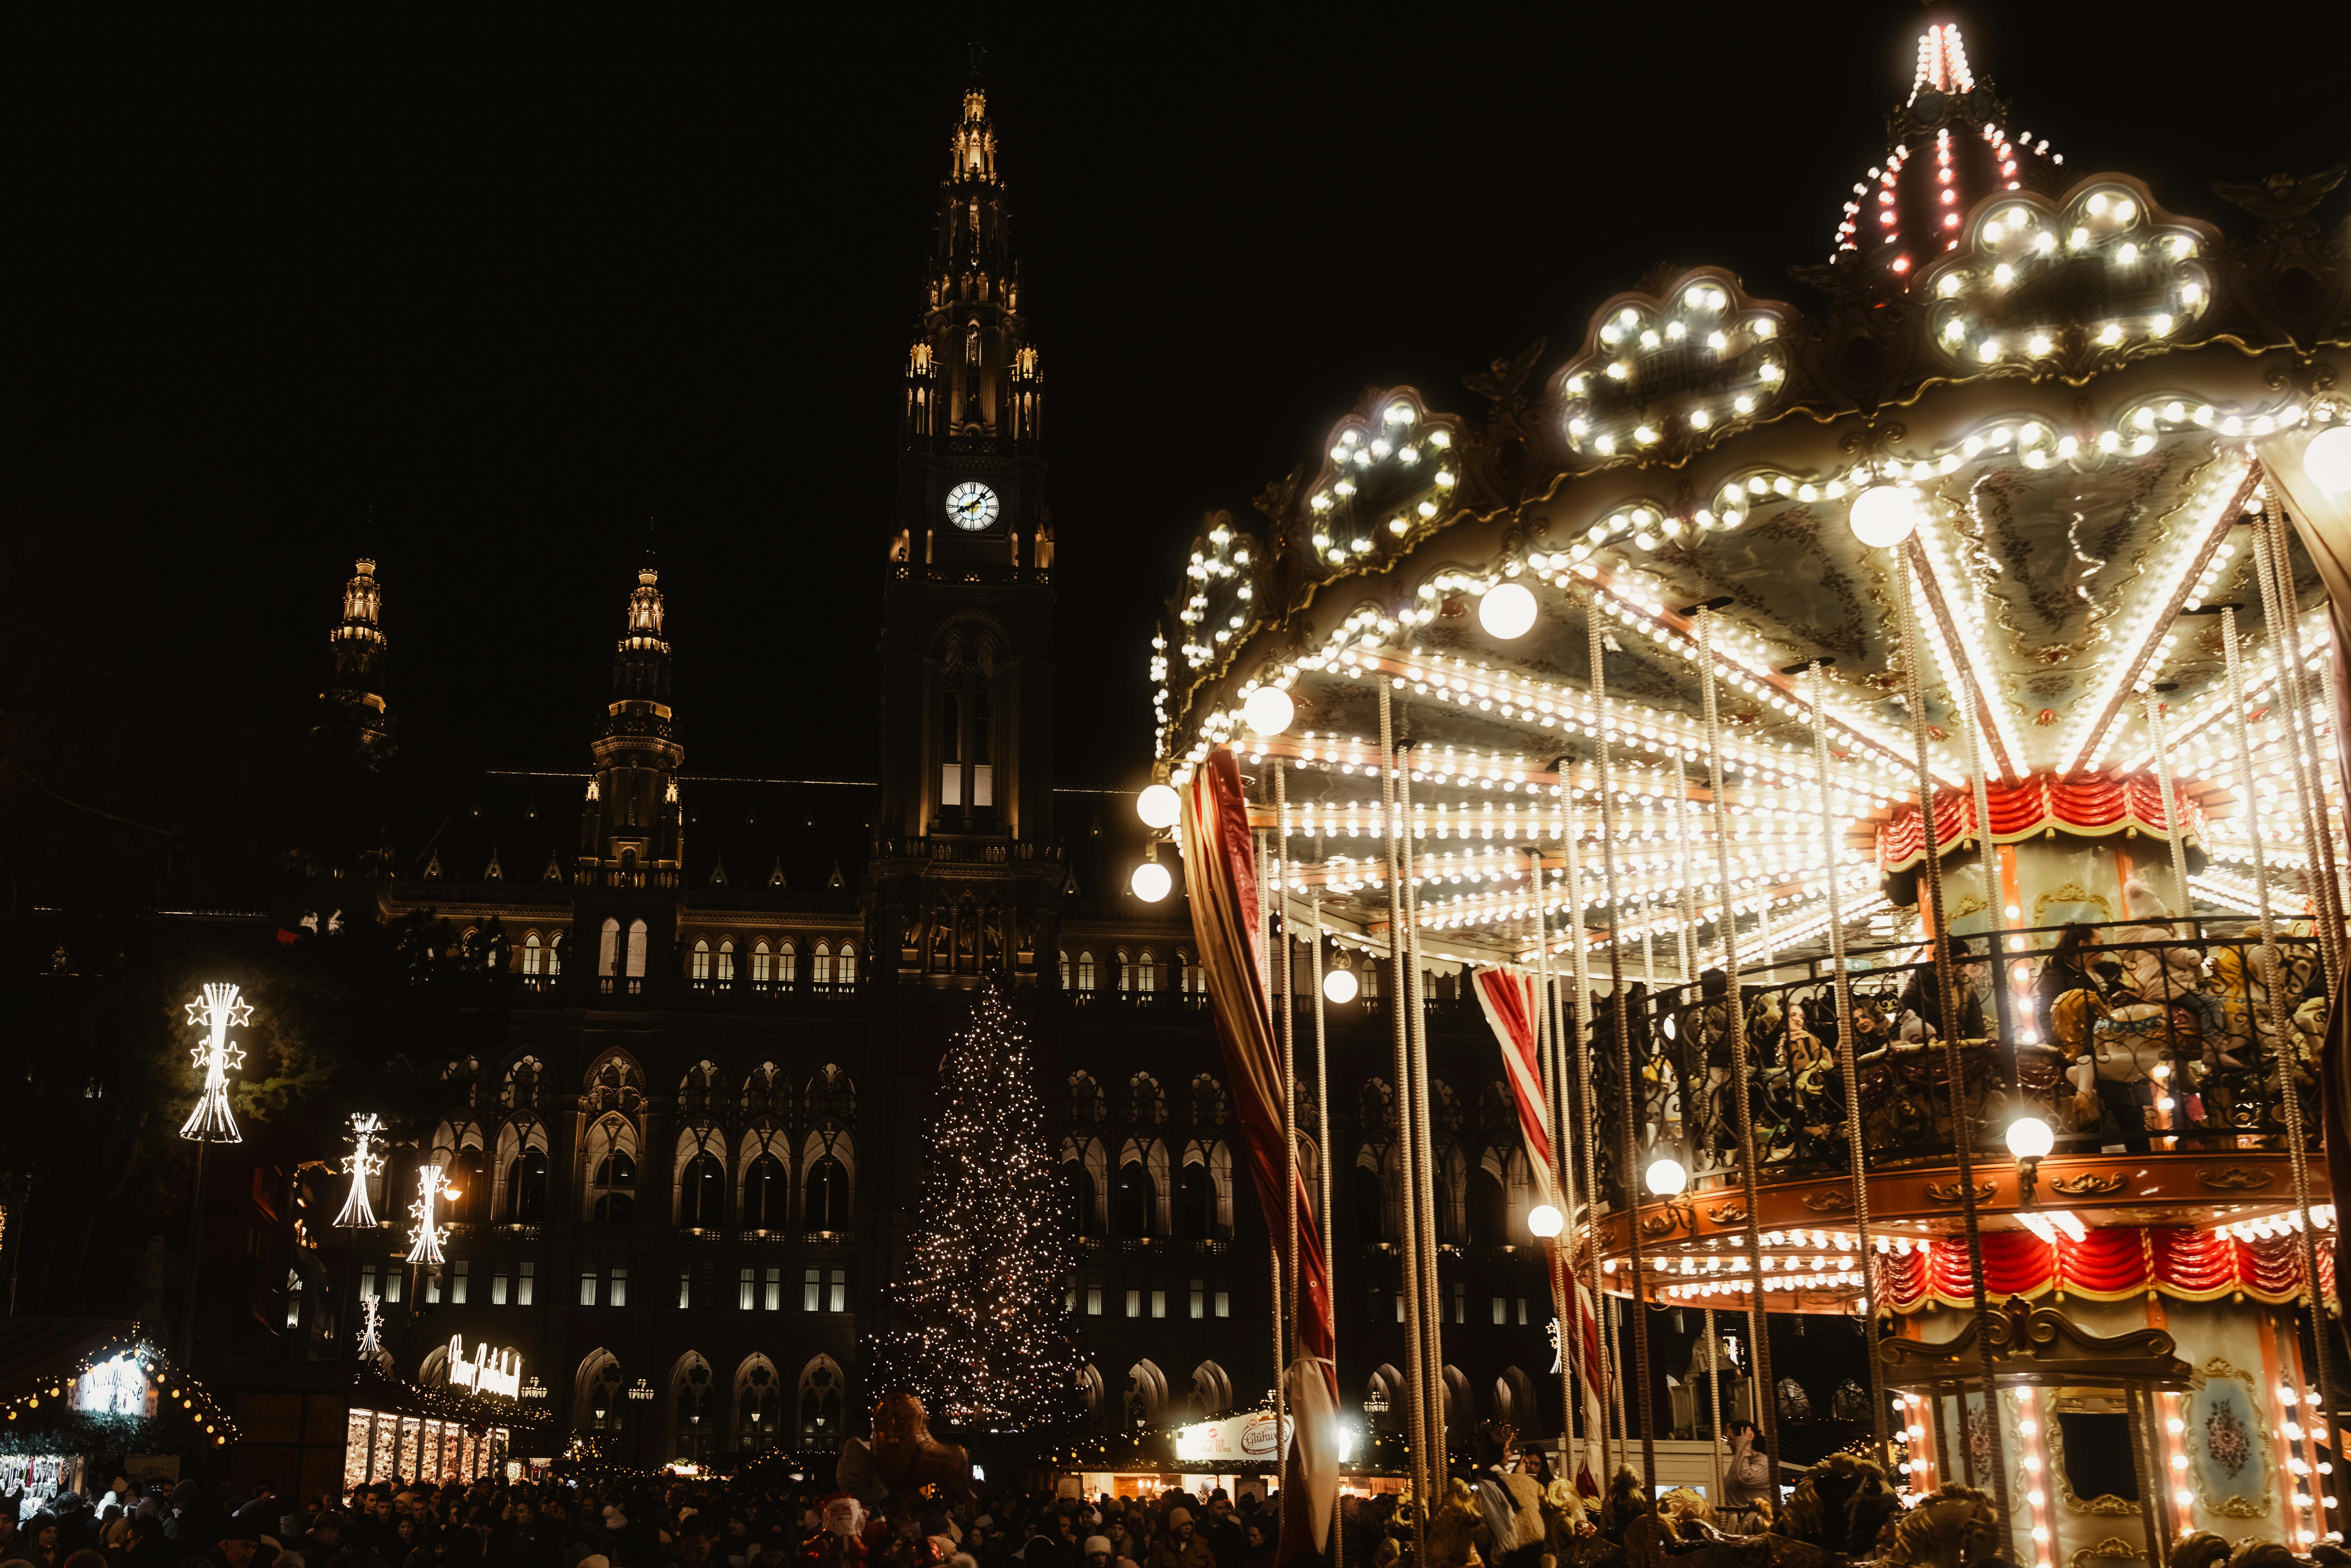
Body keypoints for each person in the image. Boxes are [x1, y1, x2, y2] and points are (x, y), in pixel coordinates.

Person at [1717, 1421, 1771, 1535]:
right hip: (1739, 1521)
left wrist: (1744, 1447)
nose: (1728, 1444)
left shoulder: (1765, 1464)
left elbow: (1744, 1478)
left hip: (1753, 1524)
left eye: (1731, 1439)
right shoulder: (1741, 1461)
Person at [1143, 1513, 1208, 1568]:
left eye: (1190, 1524)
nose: (1188, 1527)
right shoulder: (1160, 1549)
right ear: (1175, 1527)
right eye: (1184, 1524)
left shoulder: (1200, 1545)